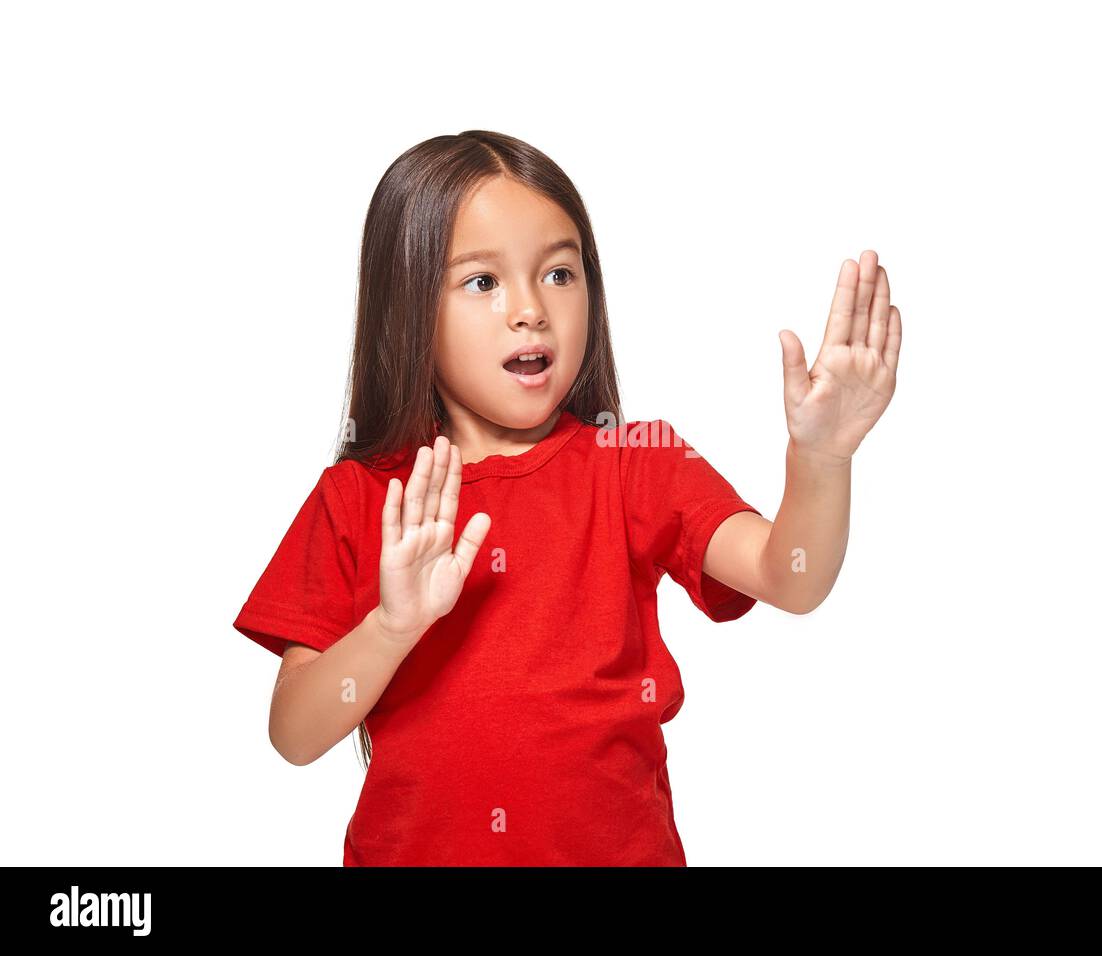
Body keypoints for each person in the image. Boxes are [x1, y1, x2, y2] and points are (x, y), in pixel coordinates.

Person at [232, 129, 902, 866]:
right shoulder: (361, 496)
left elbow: (793, 577)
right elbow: (294, 736)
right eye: (482, 282)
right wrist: (392, 628)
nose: (531, 310)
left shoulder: (635, 465)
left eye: (559, 273)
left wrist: (822, 458)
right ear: (410, 304)